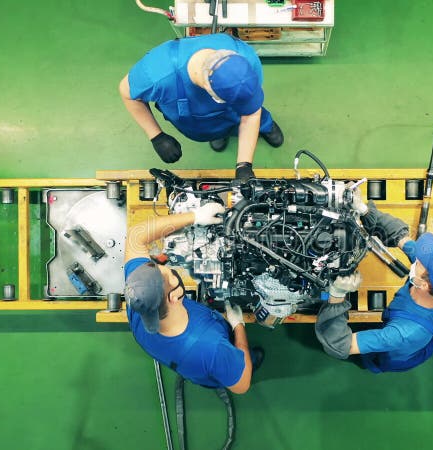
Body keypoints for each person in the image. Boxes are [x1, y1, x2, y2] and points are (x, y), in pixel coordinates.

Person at [124, 202, 262, 393]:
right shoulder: (211, 348)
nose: (166, 266)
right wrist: (238, 326)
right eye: (170, 274)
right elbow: (242, 386)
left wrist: (195, 216)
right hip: (215, 360)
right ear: (174, 296)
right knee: (243, 363)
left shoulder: (139, 299)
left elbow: (135, 235)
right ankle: (250, 359)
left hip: (190, 354)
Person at [315, 202, 433, 373]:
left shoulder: (402, 333)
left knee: (369, 355)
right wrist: (366, 211)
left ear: (424, 284)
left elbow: (339, 345)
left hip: (392, 353)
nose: (416, 257)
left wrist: (336, 296)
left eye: (419, 262)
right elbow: (400, 236)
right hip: (413, 333)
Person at [119, 33, 284, 180]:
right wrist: (156, 136)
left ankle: (267, 127)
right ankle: (217, 134)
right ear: (207, 89)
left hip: (233, 115)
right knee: (214, 130)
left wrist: (244, 165)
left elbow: (251, 115)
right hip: (197, 124)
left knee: (258, 117)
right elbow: (126, 92)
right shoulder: (156, 74)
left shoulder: (246, 57)